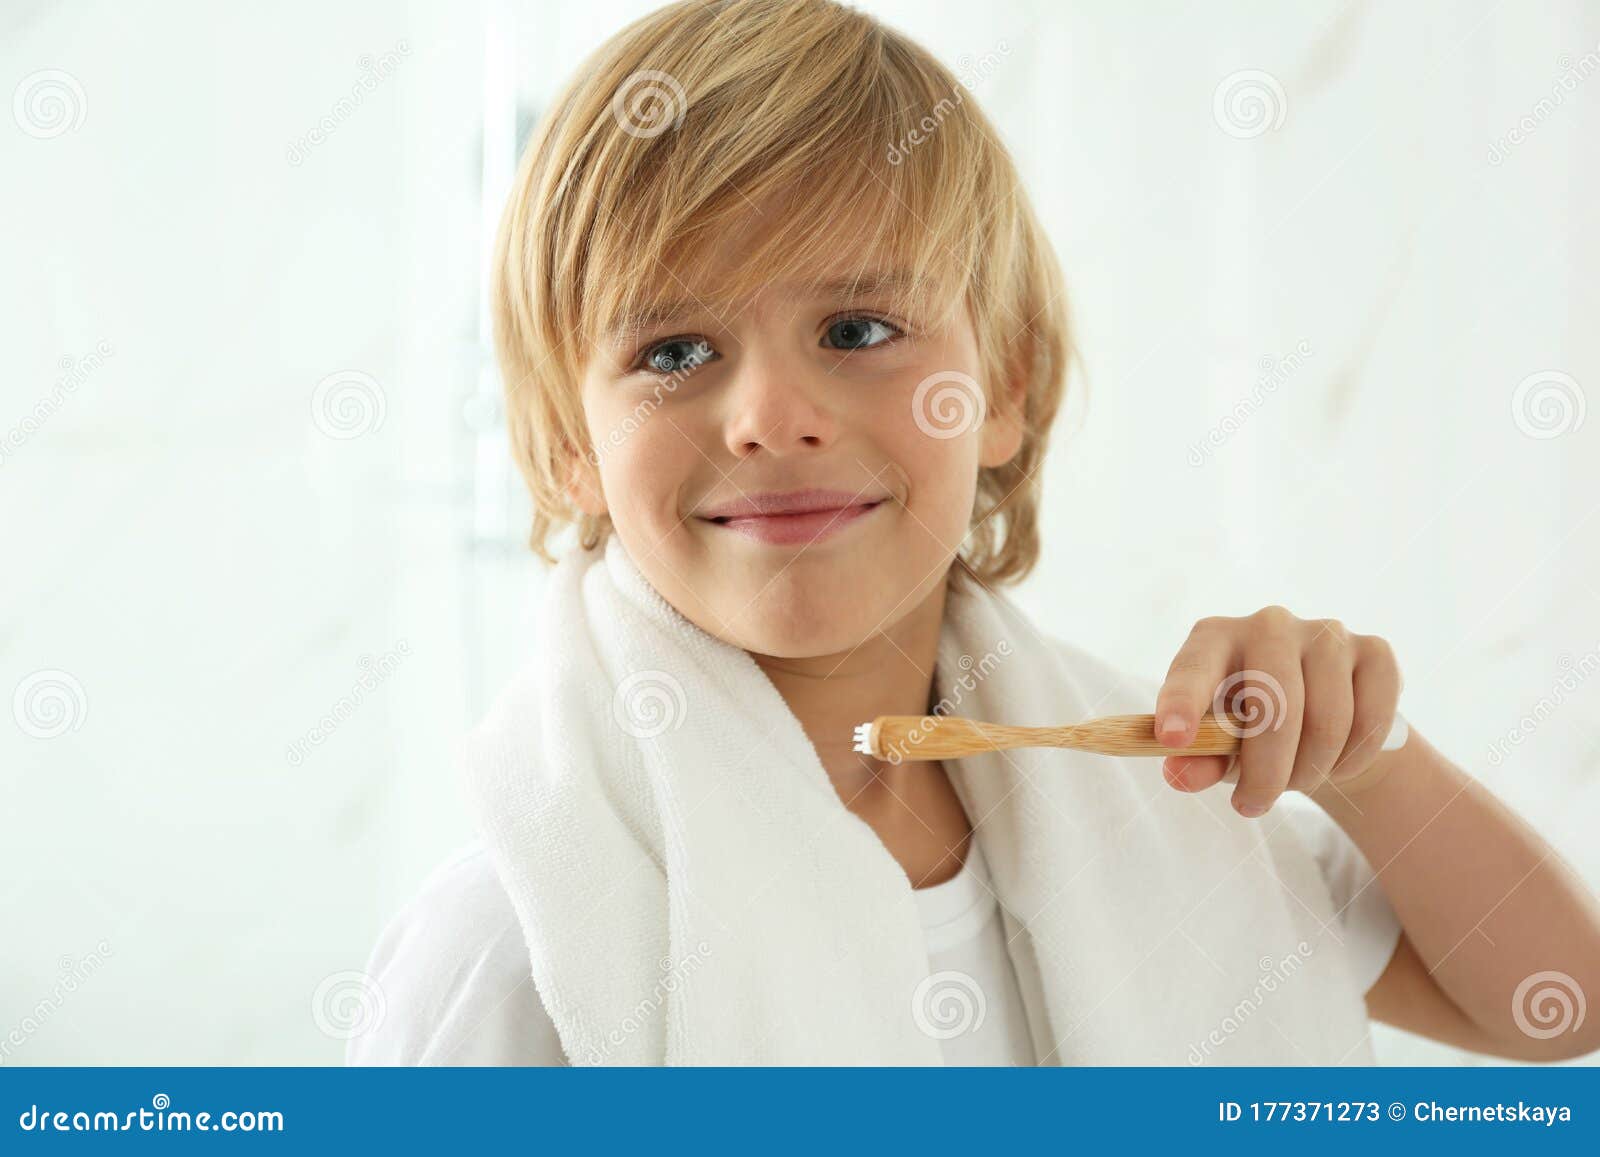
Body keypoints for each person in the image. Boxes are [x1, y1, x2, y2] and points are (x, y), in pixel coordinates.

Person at [348, 0, 1600, 1066]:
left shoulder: (1160, 817)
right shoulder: (520, 949)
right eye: (674, 352)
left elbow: (1559, 1007)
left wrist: (1365, 756)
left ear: (1005, 384)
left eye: (857, 330)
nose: (771, 418)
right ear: (565, 446)